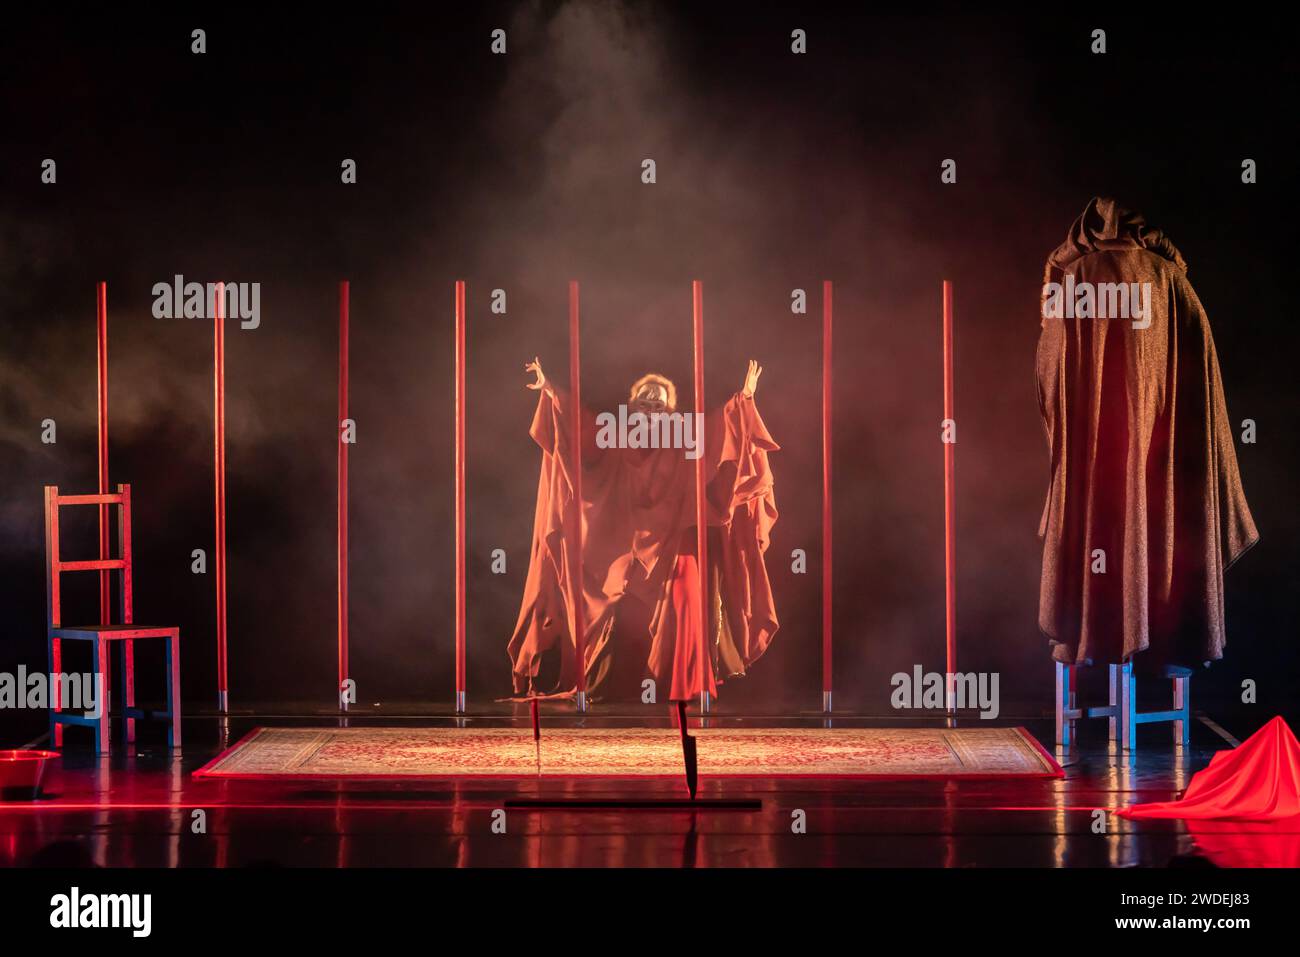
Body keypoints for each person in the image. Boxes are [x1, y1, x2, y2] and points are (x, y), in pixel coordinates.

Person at [507, 357, 779, 702]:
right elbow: (580, 430)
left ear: (671, 411)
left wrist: (744, 400)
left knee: (687, 597)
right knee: (603, 604)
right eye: (643, 402)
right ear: (632, 407)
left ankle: (687, 684)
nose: (650, 408)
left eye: (658, 403)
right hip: (624, 540)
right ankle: (604, 686)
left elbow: (721, 431)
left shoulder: (686, 441)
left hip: (676, 537)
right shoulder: (615, 438)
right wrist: (549, 390)